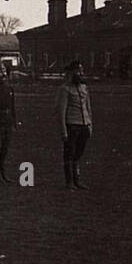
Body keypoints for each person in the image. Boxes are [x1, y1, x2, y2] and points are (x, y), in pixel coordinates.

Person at [56, 60, 93, 189]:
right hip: (72, 125)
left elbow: (88, 107)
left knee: (78, 154)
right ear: (72, 73)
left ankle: (77, 180)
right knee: (69, 154)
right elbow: (61, 111)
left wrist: (90, 125)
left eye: (82, 71)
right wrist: (63, 131)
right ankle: (69, 181)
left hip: (84, 125)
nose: (81, 74)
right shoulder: (65, 89)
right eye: (78, 71)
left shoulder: (84, 88)